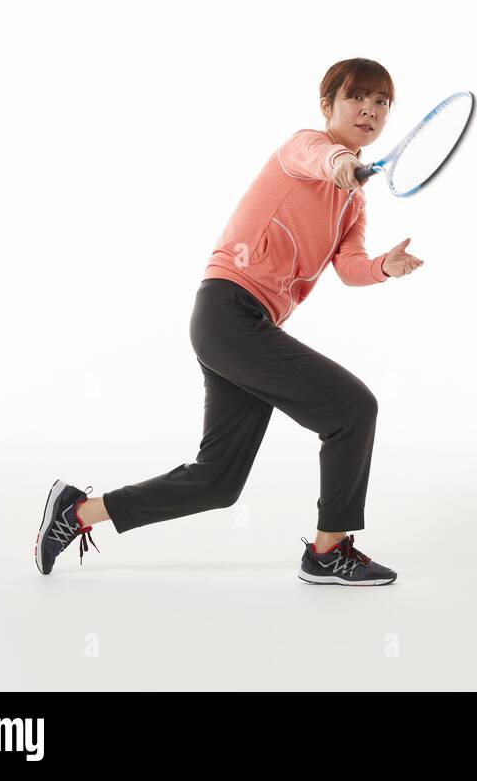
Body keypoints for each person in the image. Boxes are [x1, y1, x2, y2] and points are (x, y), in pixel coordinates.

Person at [34, 58, 424, 584]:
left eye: (381, 103)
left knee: (217, 483)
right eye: (358, 97)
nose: (370, 111)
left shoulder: (353, 203)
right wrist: (342, 166)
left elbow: (350, 268)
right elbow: (322, 158)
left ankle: (78, 512)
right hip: (227, 311)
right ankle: (327, 551)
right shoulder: (303, 148)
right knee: (353, 409)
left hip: (247, 329)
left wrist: (383, 267)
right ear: (327, 106)